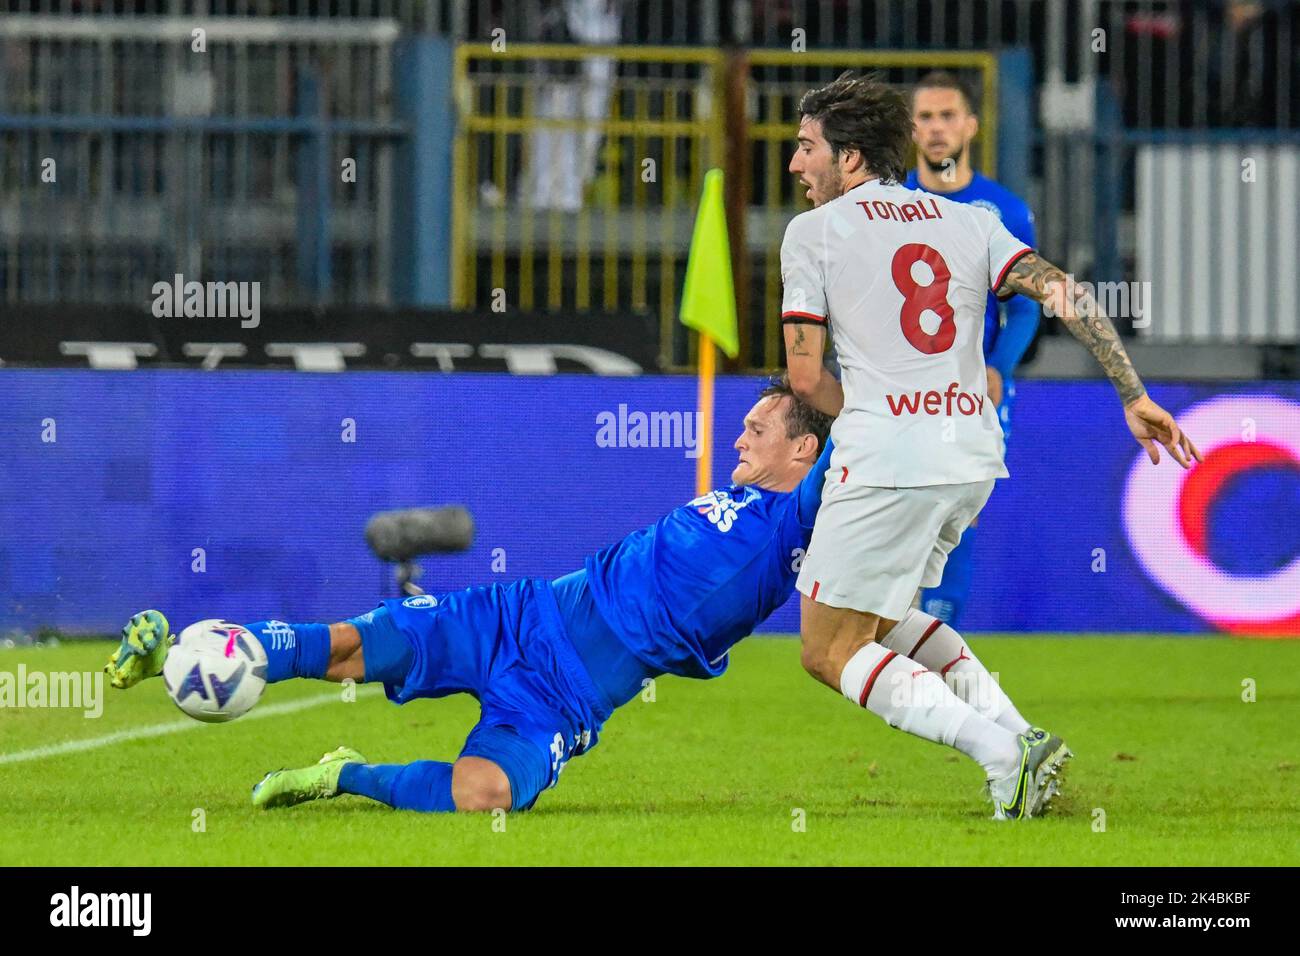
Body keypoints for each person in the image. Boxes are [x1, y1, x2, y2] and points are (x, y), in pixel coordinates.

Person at [108, 378, 862, 815]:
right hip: (515, 617)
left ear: (804, 450)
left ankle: (343, 773)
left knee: (485, 795)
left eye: (757, 429)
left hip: (562, 701)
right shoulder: (730, 499)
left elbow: (851, 444)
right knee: (345, 649)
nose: (737, 440)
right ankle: (174, 657)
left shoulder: (788, 528)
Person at [781, 71, 1201, 820]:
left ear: (850, 160)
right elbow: (1061, 290)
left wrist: (867, 425)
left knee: (827, 649)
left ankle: (998, 755)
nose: (794, 165)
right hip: (970, 458)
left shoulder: (812, 234)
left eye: (806, 147)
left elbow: (806, 377)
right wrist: (1132, 392)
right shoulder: (967, 221)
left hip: (889, 461)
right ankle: (1022, 735)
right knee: (879, 623)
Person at [905, 70, 1039, 627]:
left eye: (948, 116)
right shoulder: (888, 204)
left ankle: (937, 639)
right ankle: (881, 635)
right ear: (911, 129)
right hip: (899, 386)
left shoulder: (1001, 209)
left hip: (967, 390)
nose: (937, 129)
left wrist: (996, 367)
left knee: (957, 512)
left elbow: (1027, 305)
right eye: (926, 117)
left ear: (971, 126)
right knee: (894, 504)